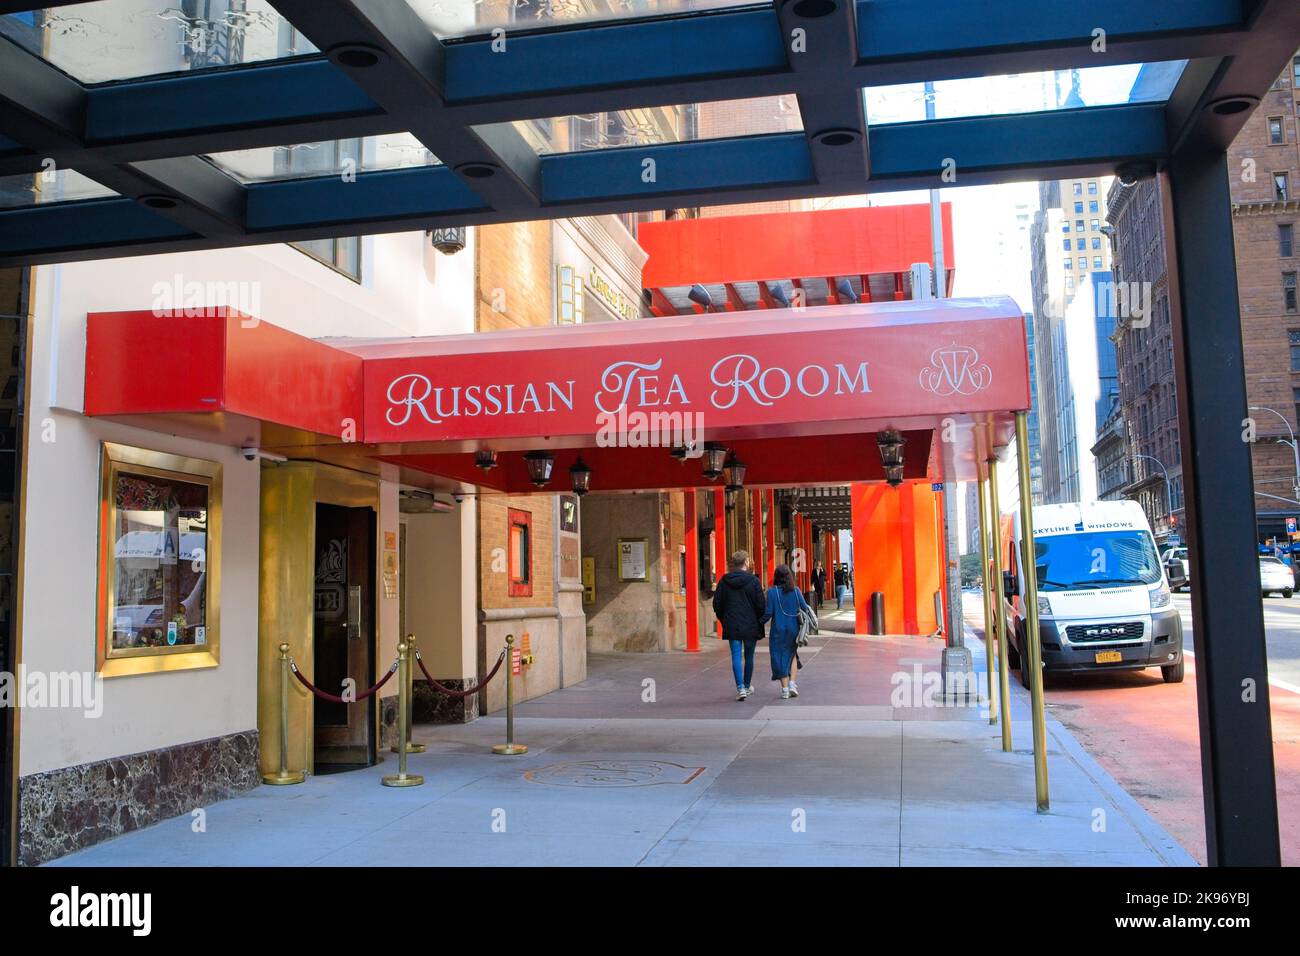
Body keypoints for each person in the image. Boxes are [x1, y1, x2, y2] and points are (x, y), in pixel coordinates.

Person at [712, 550, 766, 701]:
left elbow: (717, 603)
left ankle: (740, 688)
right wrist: (758, 620)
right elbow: (761, 605)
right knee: (749, 657)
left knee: (736, 656)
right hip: (751, 625)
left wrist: (724, 619)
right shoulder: (754, 581)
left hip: (732, 624)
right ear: (746, 562)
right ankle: (747, 685)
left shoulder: (724, 581)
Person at [765, 563, 811, 699]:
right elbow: (804, 607)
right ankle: (792, 684)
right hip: (793, 629)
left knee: (778, 657)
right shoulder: (796, 591)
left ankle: (784, 689)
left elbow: (768, 613)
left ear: (776, 577)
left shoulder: (772, 592)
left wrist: (758, 622)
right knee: (792, 655)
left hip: (778, 630)